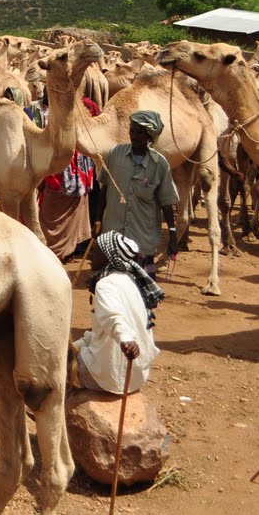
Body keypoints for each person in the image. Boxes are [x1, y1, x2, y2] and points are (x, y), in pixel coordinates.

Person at [73, 232, 162, 394]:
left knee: (60, 365)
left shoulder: (105, 285)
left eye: (96, 251)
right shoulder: (132, 281)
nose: (91, 255)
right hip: (137, 377)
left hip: (110, 379)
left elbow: (113, 317)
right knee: (79, 344)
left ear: (108, 256)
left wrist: (125, 340)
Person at [98, 110, 179, 277]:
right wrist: (97, 220)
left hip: (141, 238)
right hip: (114, 236)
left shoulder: (159, 165)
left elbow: (166, 203)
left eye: (140, 132)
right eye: (132, 130)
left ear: (150, 136)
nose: (134, 136)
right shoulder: (114, 155)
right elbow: (104, 189)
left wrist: (172, 235)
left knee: (141, 293)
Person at [37, 97, 99, 262]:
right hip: (78, 176)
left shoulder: (60, 123)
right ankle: (66, 251)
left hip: (63, 176)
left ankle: (55, 252)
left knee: (50, 217)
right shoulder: (84, 127)